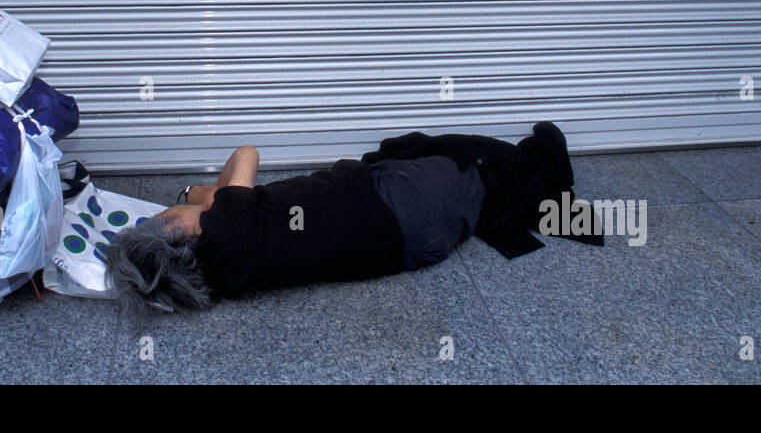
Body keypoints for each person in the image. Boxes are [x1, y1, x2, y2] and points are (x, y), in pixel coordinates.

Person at [105, 121, 599, 316]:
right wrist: (201, 192)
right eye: (166, 212)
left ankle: (519, 192)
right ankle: (546, 168)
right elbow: (247, 151)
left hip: (410, 247)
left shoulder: (220, 277)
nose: (167, 207)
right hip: (404, 203)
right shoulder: (224, 224)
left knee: (408, 152)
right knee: (473, 160)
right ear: (179, 229)